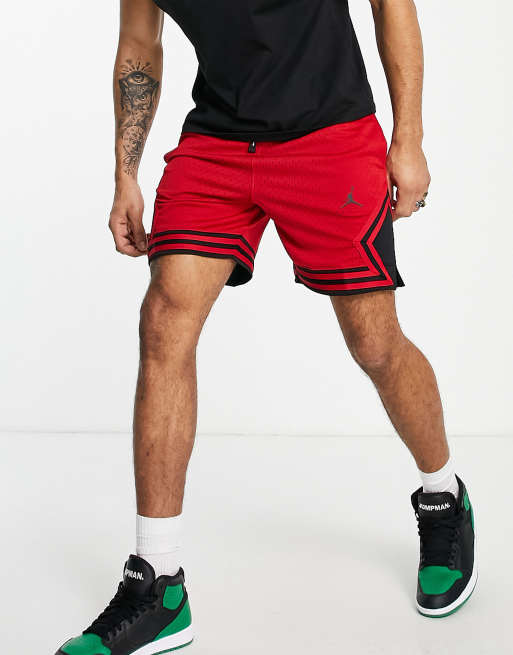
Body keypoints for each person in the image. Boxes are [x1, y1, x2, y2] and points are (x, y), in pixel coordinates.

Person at [55, 0, 476, 653]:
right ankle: (158, 585)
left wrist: (409, 138)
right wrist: (124, 173)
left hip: (330, 136)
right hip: (218, 143)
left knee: (373, 342)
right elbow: (140, 39)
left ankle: (443, 496)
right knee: (163, 320)